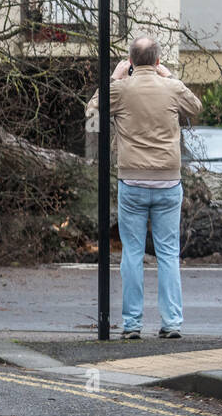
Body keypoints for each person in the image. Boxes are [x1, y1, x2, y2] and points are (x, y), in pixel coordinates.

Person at [86, 36, 201, 341]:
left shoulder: (122, 90)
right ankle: (172, 321)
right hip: (167, 181)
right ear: (158, 61)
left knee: (132, 254)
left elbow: (93, 109)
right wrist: (170, 77)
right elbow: (196, 106)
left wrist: (115, 76)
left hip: (133, 181)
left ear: (132, 61)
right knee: (167, 253)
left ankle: (132, 324)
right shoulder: (172, 88)